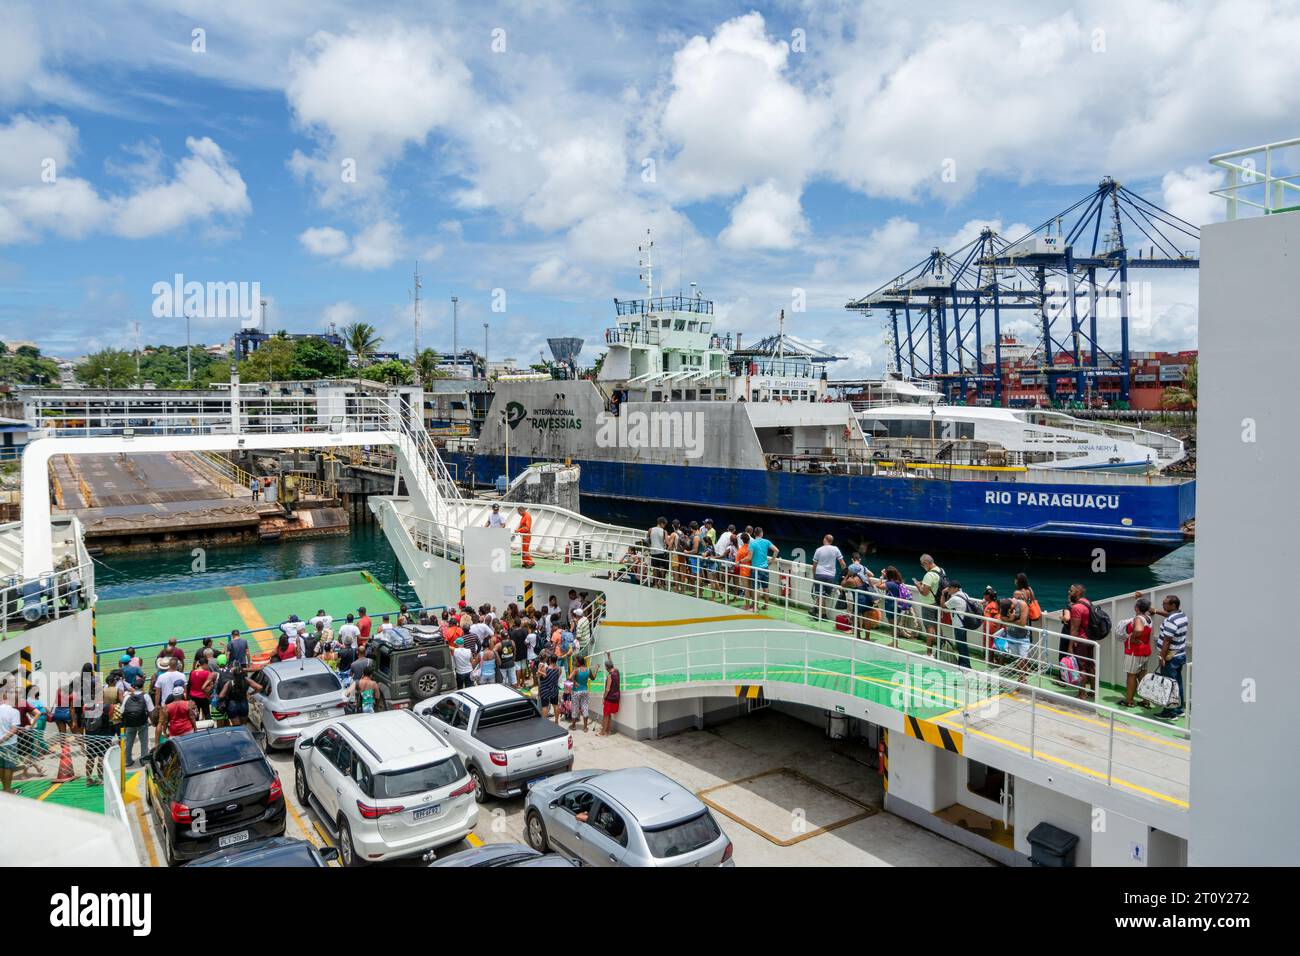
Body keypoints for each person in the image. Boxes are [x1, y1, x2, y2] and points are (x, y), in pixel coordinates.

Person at [1152, 594, 1189, 719]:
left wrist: (1162, 657)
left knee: (1168, 684)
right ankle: (1179, 708)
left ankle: (1170, 713)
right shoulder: (1181, 615)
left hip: (1170, 658)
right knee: (1177, 683)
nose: (1163, 605)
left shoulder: (1171, 621)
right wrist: (1156, 611)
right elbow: (1169, 616)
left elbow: (1167, 641)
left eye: (1165, 603)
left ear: (1173, 605)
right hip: (1180, 655)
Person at [1061, 584, 1096, 698]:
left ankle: (1082, 693)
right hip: (1090, 639)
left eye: (1071, 591)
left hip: (1081, 640)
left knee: (1081, 667)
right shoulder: (1087, 602)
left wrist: (1070, 646)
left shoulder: (1076, 608)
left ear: (1078, 593)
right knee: (1090, 665)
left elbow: (1074, 629)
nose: (1068, 592)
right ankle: (1093, 690)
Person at [1117, 598, 1154, 708]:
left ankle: (1129, 701)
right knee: (1142, 675)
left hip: (1135, 651)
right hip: (1145, 650)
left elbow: (1138, 630)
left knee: (1131, 676)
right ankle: (1145, 701)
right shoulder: (1149, 619)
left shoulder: (1138, 618)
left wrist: (1132, 637)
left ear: (1136, 608)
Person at [914, 555, 945, 655]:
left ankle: (929, 653)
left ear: (926, 563)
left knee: (929, 628)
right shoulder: (941, 570)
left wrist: (918, 586)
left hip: (929, 605)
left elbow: (925, 592)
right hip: (938, 603)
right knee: (937, 626)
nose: (923, 567)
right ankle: (941, 649)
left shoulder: (929, 575)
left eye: (923, 565)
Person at [120, 676, 154, 767]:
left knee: (129, 742)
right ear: (142, 687)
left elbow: (122, 711)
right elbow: (151, 710)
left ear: (134, 687)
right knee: (144, 741)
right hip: (142, 722)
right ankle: (143, 760)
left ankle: (128, 760)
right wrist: (152, 721)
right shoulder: (145, 696)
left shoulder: (127, 697)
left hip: (130, 723)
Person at [941, 581, 975, 669]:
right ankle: (963, 663)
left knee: (961, 646)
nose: (948, 589)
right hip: (964, 623)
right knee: (962, 644)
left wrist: (942, 594)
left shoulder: (955, 599)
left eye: (950, 588)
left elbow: (943, 606)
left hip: (958, 625)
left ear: (956, 588)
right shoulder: (965, 595)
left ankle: (965, 665)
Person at [811, 535, 845, 620]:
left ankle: (818, 611)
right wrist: (845, 576)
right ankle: (822, 614)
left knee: (821, 595)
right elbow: (843, 564)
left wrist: (814, 576)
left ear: (824, 539)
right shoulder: (836, 549)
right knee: (824, 595)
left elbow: (814, 565)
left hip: (819, 574)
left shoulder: (818, 550)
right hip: (830, 575)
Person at [747, 528, 778, 610]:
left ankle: (755, 607)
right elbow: (776, 550)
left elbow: (749, 557)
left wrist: (740, 561)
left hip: (756, 569)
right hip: (765, 568)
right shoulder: (766, 542)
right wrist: (772, 560)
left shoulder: (752, 543)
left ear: (754, 534)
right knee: (766, 587)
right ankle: (766, 605)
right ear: (761, 533)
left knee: (756, 589)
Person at [0, 686, 21, 794]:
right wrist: (2, 740)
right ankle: (8, 790)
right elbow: (14, 729)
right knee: (8, 767)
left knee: (1, 766)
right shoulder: (14, 712)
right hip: (9, 743)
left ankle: (4, 789)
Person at [569, 655, 594, 732]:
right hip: (585, 691)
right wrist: (596, 669)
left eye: (575, 661)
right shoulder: (588, 670)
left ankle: (573, 726)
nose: (574, 662)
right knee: (585, 708)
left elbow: (569, 678)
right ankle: (585, 727)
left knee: (575, 708)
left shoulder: (576, 670)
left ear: (579, 662)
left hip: (576, 691)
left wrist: (574, 682)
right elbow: (593, 678)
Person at [598, 656, 620, 737]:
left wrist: (604, 697)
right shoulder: (617, 671)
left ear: (607, 667)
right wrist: (609, 657)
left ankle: (603, 732)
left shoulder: (610, 676)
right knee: (609, 714)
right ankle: (608, 730)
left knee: (606, 715)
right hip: (616, 697)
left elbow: (607, 689)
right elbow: (612, 665)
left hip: (609, 698)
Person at [188, 655, 213, 721]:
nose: (208, 666)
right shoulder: (207, 673)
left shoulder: (192, 672)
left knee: (196, 714)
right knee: (207, 713)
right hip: (203, 697)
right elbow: (210, 685)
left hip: (193, 696)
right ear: (204, 664)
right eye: (207, 664)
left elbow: (190, 684)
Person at [537, 654, 561, 721]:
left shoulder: (545, 668)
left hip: (545, 689)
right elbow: (557, 677)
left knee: (545, 706)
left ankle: (544, 722)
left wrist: (539, 670)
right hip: (554, 689)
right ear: (556, 660)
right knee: (555, 705)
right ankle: (556, 721)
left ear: (550, 660)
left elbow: (538, 676)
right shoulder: (559, 669)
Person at [648, 517, 669, 589]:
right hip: (661, 551)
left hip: (653, 551)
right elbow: (667, 542)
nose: (665, 526)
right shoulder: (664, 531)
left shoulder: (650, 529)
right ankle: (662, 584)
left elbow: (648, 540)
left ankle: (655, 584)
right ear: (662, 523)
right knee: (662, 568)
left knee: (655, 568)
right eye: (665, 524)